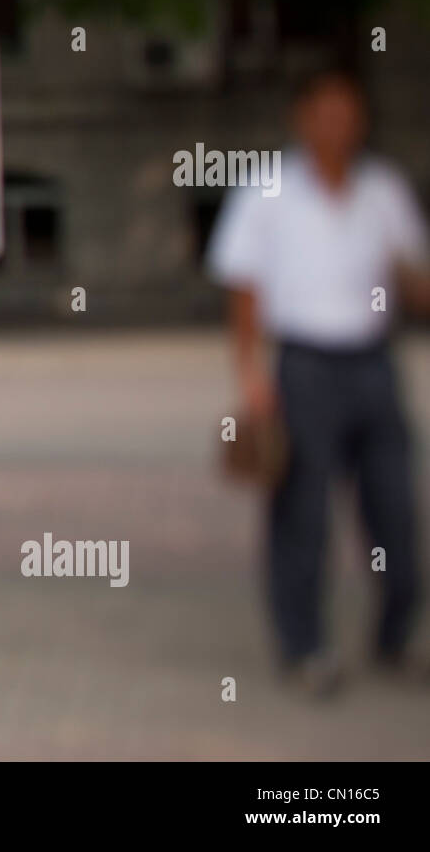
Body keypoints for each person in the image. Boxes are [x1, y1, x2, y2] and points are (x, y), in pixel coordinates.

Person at [207, 66, 430, 697]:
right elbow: (244, 291)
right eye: (327, 111)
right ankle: (304, 648)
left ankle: (393, 637)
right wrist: (250, 375)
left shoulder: (383, 190)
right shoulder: (267, 192)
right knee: (301, 513)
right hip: (303, 368)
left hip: (374, 364)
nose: (340, 124)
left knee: (396, 510)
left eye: (350, 111)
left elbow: (412, 277)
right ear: (302, 119)